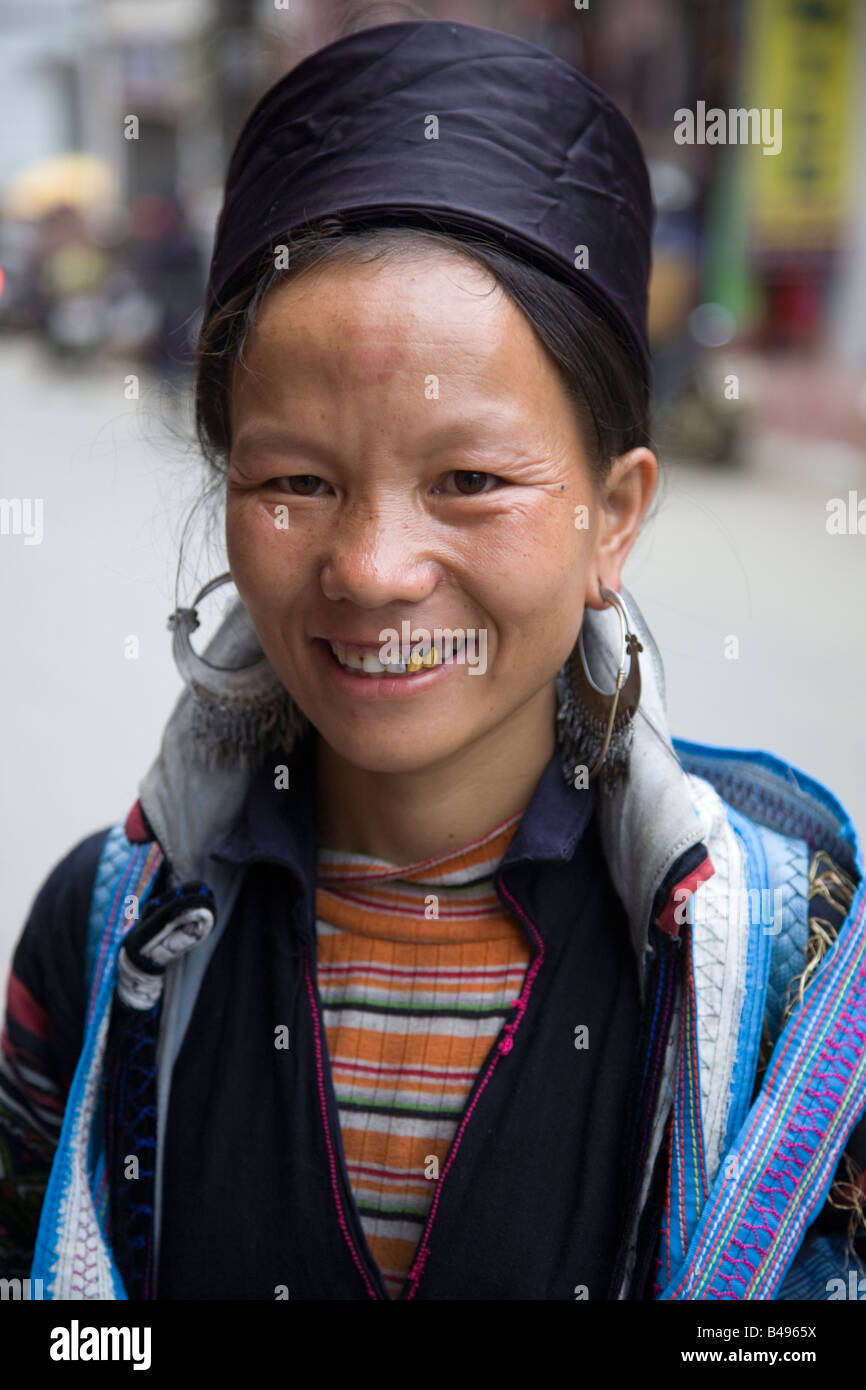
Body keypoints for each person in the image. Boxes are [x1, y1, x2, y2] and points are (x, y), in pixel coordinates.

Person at [3, 18, 865, 1303]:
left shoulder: (790, 960)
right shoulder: (105, 929)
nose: (370, 566)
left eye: (467, 480)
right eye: (297, 479)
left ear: (610, 517)